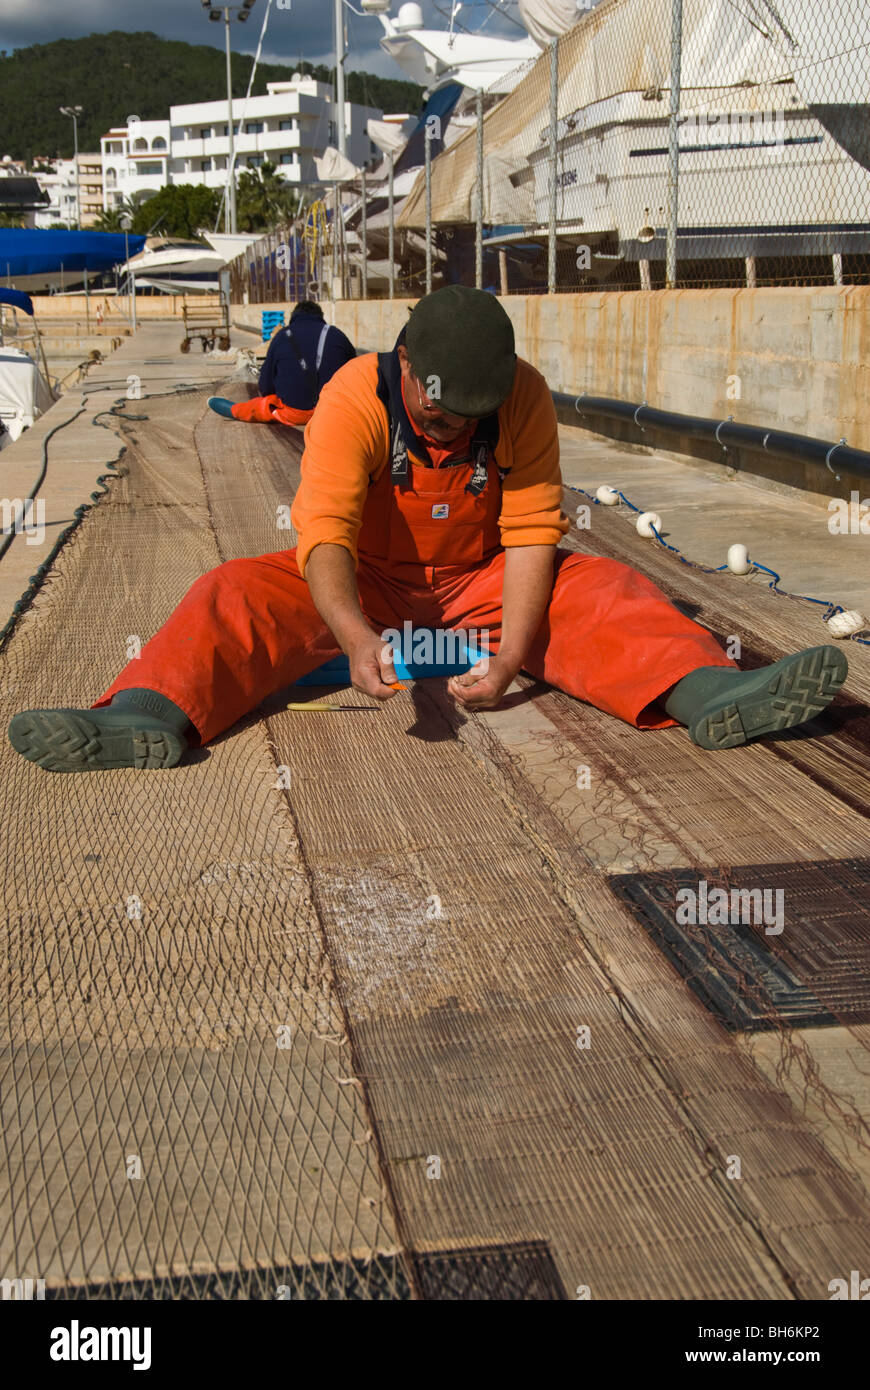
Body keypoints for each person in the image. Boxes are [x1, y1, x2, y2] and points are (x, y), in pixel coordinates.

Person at [8, 285, 847, 772]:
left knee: (603, 589)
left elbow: (528, 533)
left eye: (468, 418)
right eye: (437, 412)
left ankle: (712, 694)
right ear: (405, 365)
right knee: (231, 592)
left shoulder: (524, 397)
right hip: (367, 580)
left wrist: (515, 651)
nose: (449, 431)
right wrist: (354, 632)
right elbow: (325, 536)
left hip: (480, 581)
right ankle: (148, 714)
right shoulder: (350, 400)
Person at [207, 300, 356, 427]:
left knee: (263, 405)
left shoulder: (282, 336)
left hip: (293, 413)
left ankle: (234, 410)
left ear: (294, 318)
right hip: (334, 414)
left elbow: (265, 385)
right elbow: (355, 377)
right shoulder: (337, 335)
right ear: (321, 317)